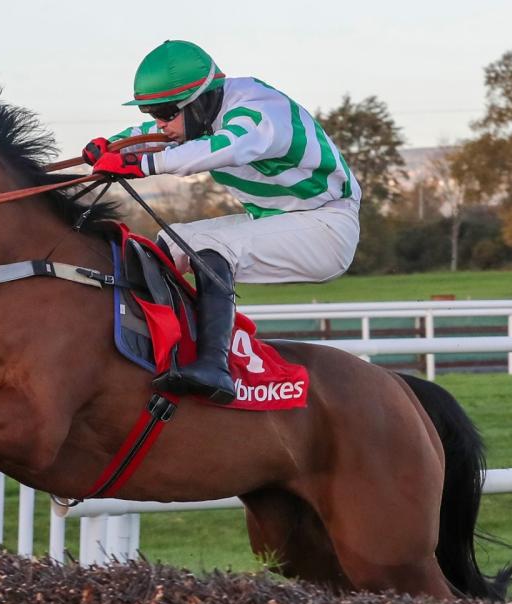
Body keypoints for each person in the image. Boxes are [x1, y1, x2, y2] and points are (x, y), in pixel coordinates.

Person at [83, 39, 361, 405]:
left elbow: (227, 146)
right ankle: (164, 347)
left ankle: (215, 367)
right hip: (273, 221)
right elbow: (151, 138)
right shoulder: (201, 116)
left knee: (213, 248)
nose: (160, 123)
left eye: (165, 112)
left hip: (327, 228)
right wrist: (112, 146)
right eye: (152, 112)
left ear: (201, 100)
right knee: (169, 243)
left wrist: (143, 165)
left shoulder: (258, 109)